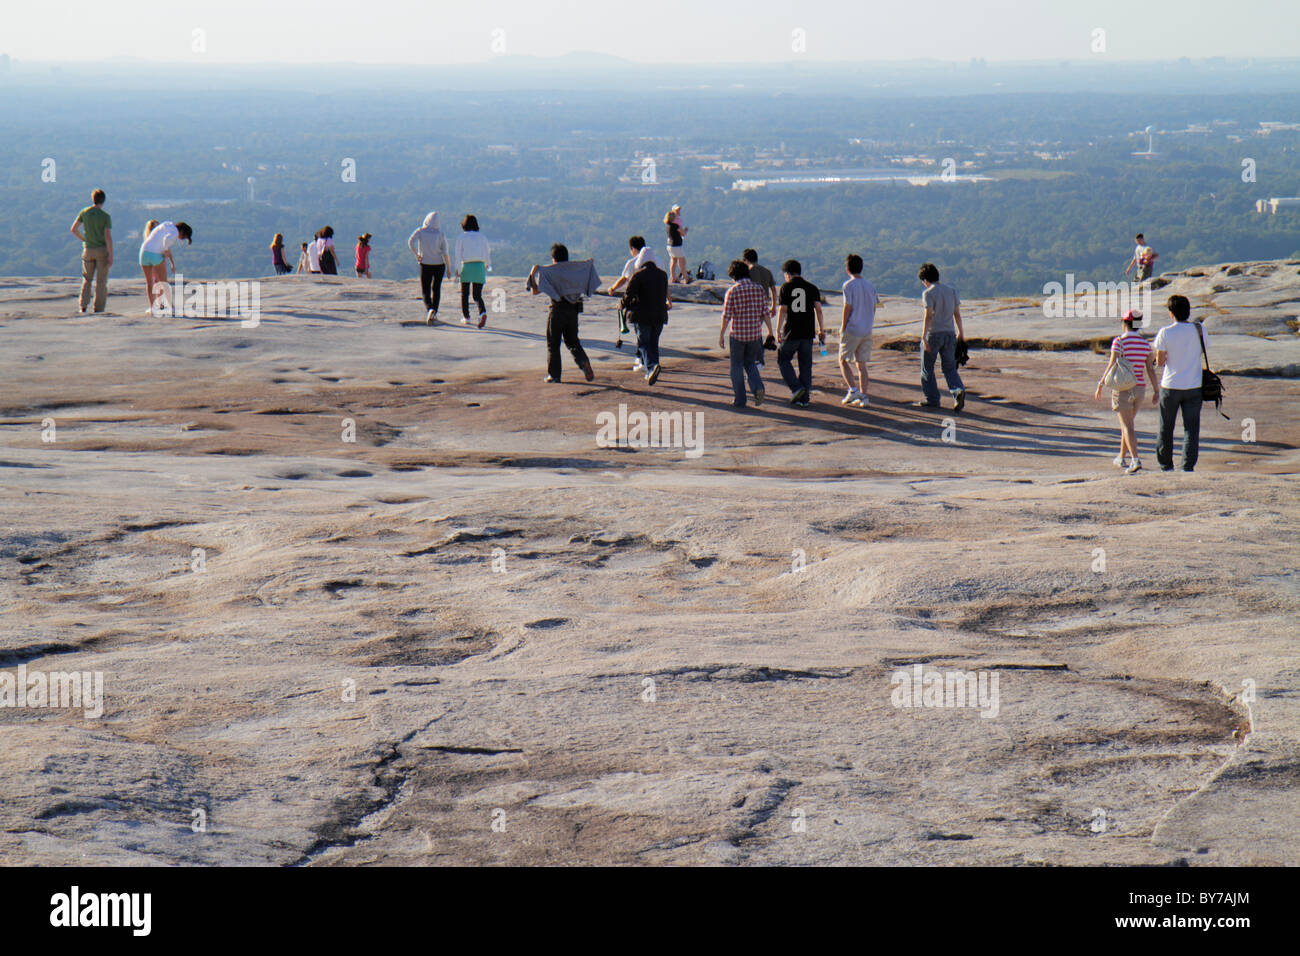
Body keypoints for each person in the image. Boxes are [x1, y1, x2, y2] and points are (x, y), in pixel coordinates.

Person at [1094, 308, 1156, 474]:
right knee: (1127, 424)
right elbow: (1150, 369)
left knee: (1127, 426)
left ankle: (1135, 460)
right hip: (1140, 388)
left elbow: (1112, 363)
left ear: (1125, 323)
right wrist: (1156, 390)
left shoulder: (1119, 341)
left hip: (1123, 388)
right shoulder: (1145, 344)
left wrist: (1101, 382)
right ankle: (1121, 457)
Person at [527, 243, 598, 383]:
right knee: (572, 341)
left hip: (557, 310)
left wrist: (533, 273)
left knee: (553, 343)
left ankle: (554, 375)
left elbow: (534, 291)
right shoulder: (576, 270)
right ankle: (583, 362)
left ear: (553, 258)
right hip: (573, 310)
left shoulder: (550, 271)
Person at [1153, 294, 1205, 473]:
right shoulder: (1199, 329)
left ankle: (1165, 465)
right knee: (1191, 429)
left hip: (1170, 385)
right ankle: (1187, 466)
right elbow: (1201, 352)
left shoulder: (1165, 332)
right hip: (1194, 385)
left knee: (1165, 428)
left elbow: (1159, 362)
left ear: (1171, 313)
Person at [718, 259, 772, 408]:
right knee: (750, 364)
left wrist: (722, 334)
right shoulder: (759, 289)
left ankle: (740, 399)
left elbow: (726, 315)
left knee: (736, 366)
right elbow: (765, 312)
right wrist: (770, 332)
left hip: (738, 335)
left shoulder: (732, 291)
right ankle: (757, 387)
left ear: (733, 275)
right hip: (755, 334)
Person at [914, 262, 966, 411]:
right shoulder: (951, 291)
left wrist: (923, 336)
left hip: (934, 335)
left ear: (925, 280)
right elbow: (957, 314)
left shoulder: (928, 293)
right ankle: (958, 391)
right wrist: (961, 332)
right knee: (949, 368)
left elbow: (928, 316)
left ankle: (932, 399)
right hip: (950, 334)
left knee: (927, 369)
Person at [776, 259, 825, 407]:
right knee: (805, 365)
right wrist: (821, 329)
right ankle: (804, 398)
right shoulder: (812, 288)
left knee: (783, 359)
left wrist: (777, 330)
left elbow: (783, 310)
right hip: (808, 332)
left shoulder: (786, 287)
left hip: (791, 332)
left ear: (787, 274)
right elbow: (819, 309)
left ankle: (796, 388)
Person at [620, 246, 671, 385]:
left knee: (643, 343)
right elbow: (665, 292)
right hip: (660, 315)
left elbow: (628, 295)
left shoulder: (638, 275)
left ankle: (651, 368)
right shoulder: (663, 275)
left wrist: (622, 305)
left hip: (642, 315)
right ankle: (654, 367)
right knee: (653, 343)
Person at [840, 254, 879, 408]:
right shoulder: (870, 285)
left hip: (853, 328)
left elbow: (847, 307)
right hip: (867, 329)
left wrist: (843, 327)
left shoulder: (848, 285)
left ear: (847, 268)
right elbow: (875, 306)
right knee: (861, 365)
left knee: (843, 360)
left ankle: (853, 389)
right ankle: (864, 396)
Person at [70, 188, 113, 313]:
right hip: (101, 249)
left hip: (88, 249)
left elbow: (73, 229)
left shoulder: (85, 212)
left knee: (87, 279)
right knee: (101, 281)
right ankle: (98, 308)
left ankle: (83, 305)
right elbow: (108, 237)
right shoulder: (105, 217)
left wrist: (84, 239)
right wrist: (111, 254)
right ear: (103, 201)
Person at [138, 220, 193, 315]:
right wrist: (165, 250)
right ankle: (171, 308)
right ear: (182, 232)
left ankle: (152, 308)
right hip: (156, 255)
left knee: (149, 282)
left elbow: (161, 241)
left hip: (144, 252)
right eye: (183, 237)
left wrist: (171, 261)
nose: (181, 239)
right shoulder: (175, 232)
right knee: (163, 283)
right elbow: (166, 241)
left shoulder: (167, 225)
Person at [408, 211, 451, 325]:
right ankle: (435, 312)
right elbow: (446, 252)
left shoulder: (421, 232)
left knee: (425, 289)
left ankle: (429, 308)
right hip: (439, 265)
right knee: (436, 289)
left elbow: (410, 242)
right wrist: (449, 268)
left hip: (425, 263)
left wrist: (417, 254)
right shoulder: (441, 234)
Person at [608, 235, 646, 350]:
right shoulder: (656, 260)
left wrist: (612, 288)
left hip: (638, 302)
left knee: (640, 330)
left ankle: (642, 357)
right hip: (655, 299)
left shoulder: (632, 262)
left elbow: (624, 279)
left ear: (633, 249)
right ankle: (647, 357)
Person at [453, 214, 491, 328]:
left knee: (465, 294)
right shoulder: (482, 237)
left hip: (467, 266)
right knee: (477, 295)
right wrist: (487, 265)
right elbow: (487, 252)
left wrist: (457, 270)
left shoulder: (461, 237)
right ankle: (482, 312)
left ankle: (466, 317)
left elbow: (458, 255)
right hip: (479, 266)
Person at [743, 249, 779, 319]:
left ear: (746, 260)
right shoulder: (767, 271)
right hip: (763, 306)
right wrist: (773, 307)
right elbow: (773, 290)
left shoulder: (747, 272)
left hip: (750, 306)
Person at [665, 205, 690, 284]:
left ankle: (673, 277)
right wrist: (685, 230)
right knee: (682, 262)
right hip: (676, 245)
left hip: (670, 245)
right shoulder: (676, 226)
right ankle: (686, 278)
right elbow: (683, 234)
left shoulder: (668, 226)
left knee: (673, 260)